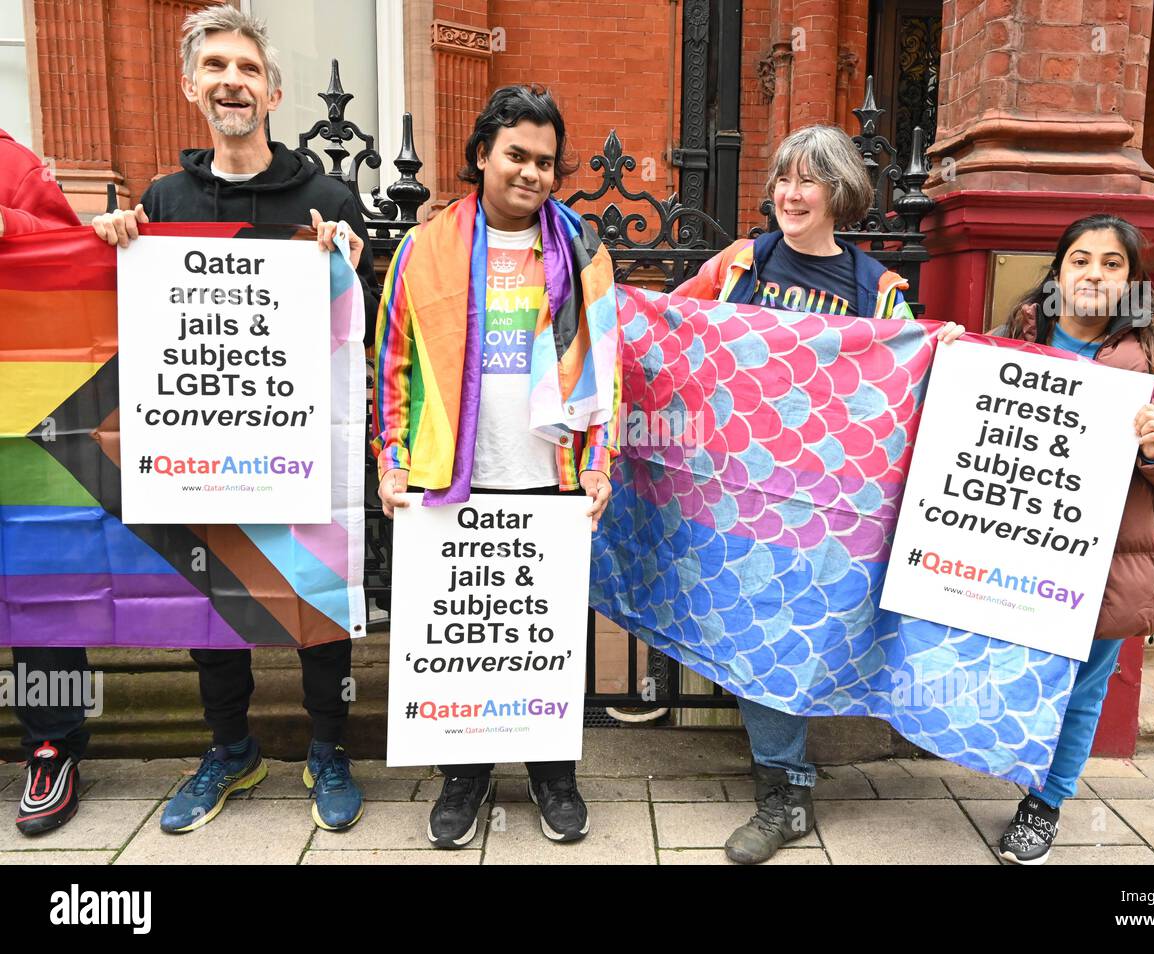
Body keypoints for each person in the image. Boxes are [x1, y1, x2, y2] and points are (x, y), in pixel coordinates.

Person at [89, 4, 378, 834]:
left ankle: (328, 745)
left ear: (273, 91)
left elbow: (361, 316)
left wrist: (351, 259)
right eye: (216, 67)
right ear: (191, 87)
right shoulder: (163, 199)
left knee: (315, 587)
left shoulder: (327, 195)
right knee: (210, 598)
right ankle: (229, 749)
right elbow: (131, 317)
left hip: (298, 440)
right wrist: (114, 242)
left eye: (247, 69)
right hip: (201, 439)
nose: (232, 82)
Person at [675, 124, 964, 864]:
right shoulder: (742, 265)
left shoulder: (877, 290)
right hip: (740, 490)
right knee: (756, 630)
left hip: (835, 504)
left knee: (807, 630)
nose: (789, 193)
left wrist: (948, 352)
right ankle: (786, 789)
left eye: (806, 180)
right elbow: (672, 328)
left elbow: (917, 380)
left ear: (838, 191)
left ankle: (792, 786)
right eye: (781, 179)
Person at [373, 84, 622, 848]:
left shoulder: (584, 248)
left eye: (547, 161)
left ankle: (554, 774)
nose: (533, 173)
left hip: (552, 478)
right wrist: (393, 458)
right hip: (454, 475)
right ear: (482, 155)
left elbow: (606, 367)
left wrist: (600, 461)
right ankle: (464, 776)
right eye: (517, 155)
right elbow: (395, 363)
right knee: (463, 635)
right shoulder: (424, 247)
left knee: (546, 634)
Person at [992, 213, 1154, 864]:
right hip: (1009, 547)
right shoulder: (1014, 340)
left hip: (1109, 563)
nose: (1093, 272)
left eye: (1111, 262)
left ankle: (1044, 806)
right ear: (1058, 272)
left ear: (1132, 278)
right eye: (1080, 260)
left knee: (1083, 688)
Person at [1, 126, 92, 836]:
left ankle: (54, 742)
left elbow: (70, 258)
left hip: (16, 404)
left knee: (41, 583)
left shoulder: (13, 162)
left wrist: (8, 223)